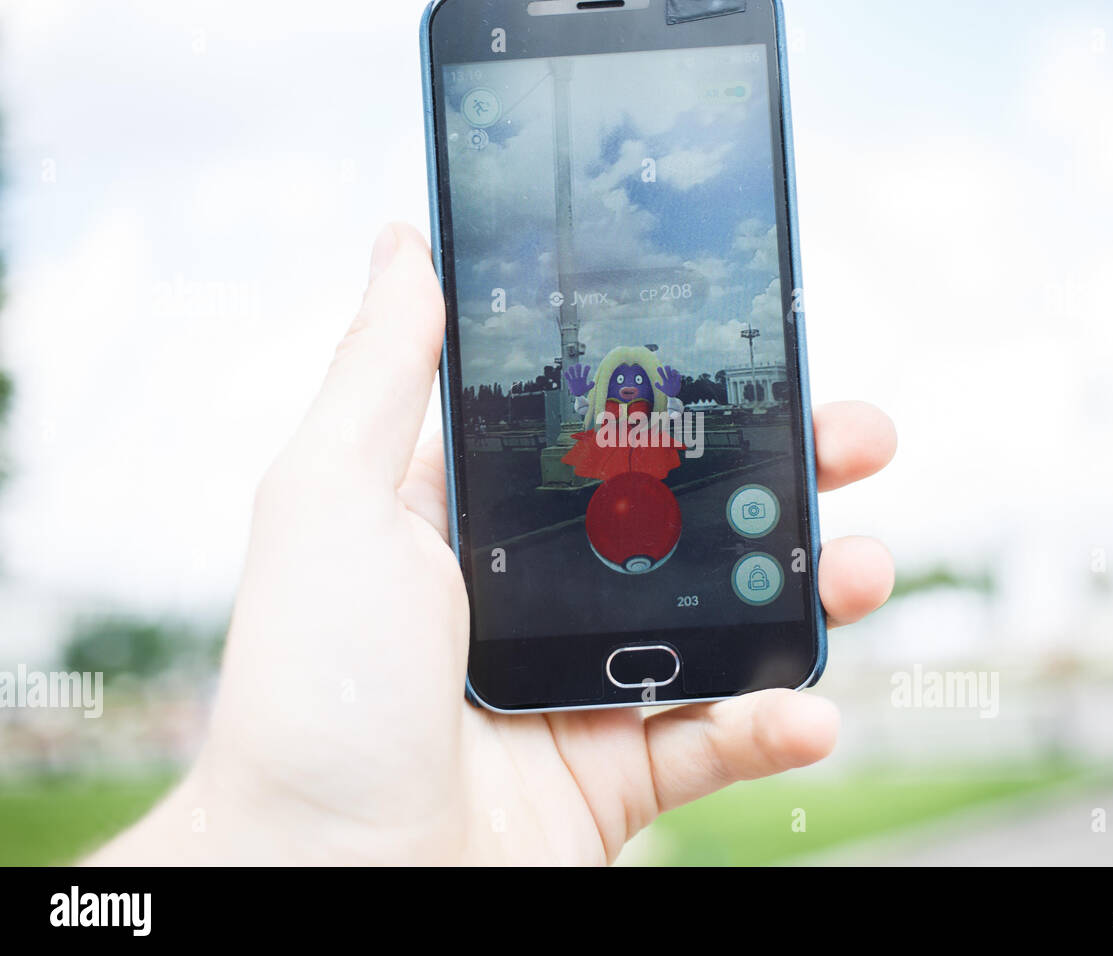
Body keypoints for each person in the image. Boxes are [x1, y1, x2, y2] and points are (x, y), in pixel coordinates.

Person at [89, 223, 897, 865]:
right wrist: (294, 836)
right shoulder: (593, 437)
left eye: (632, 384)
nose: (624, 392)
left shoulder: (661, 431)